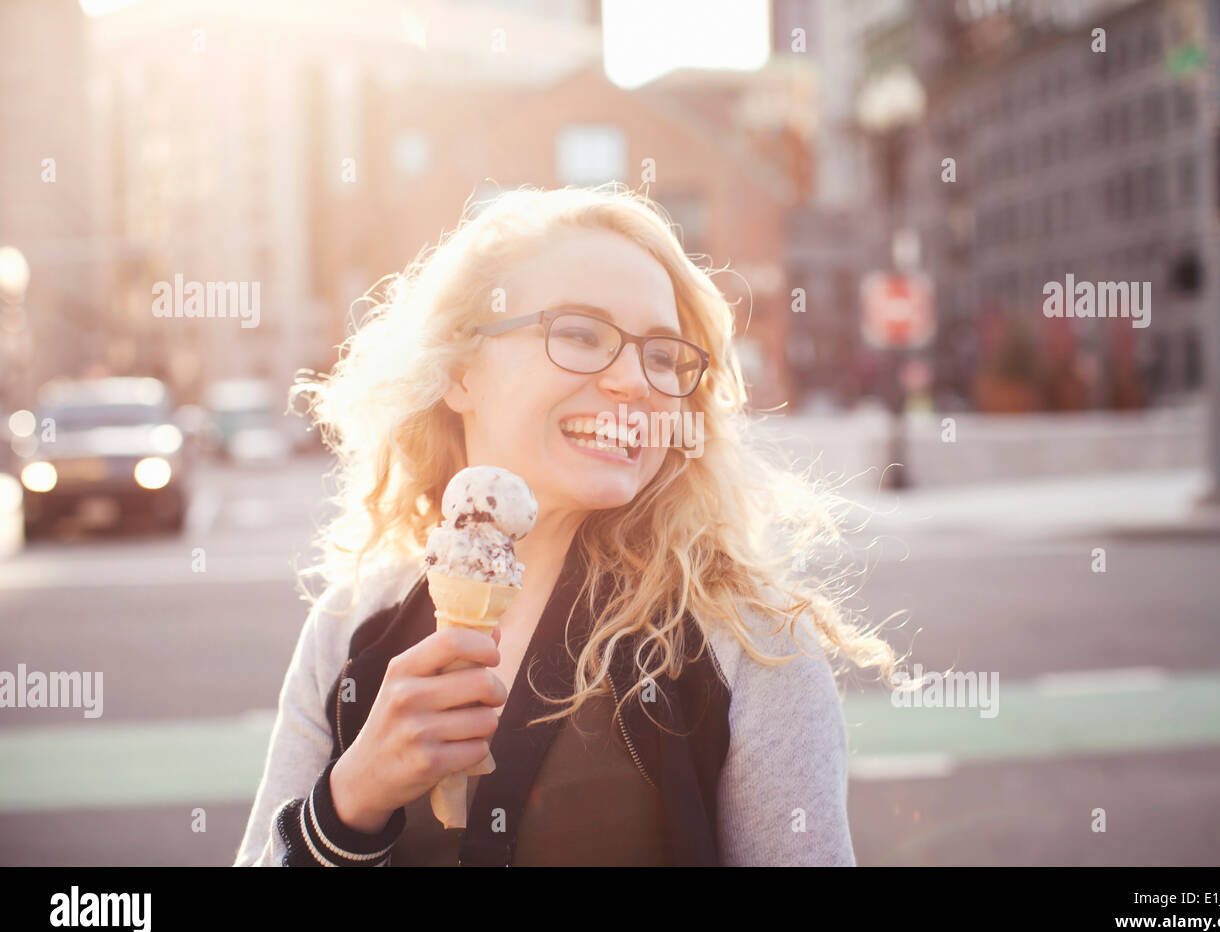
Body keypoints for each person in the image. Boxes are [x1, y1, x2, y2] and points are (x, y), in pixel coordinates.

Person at [234, 184, 901, 867]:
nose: (636, 382)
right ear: (460, 369)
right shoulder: (352, 625)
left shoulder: (752, 648)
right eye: (580, 334)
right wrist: (345, 808)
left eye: (663, 356)